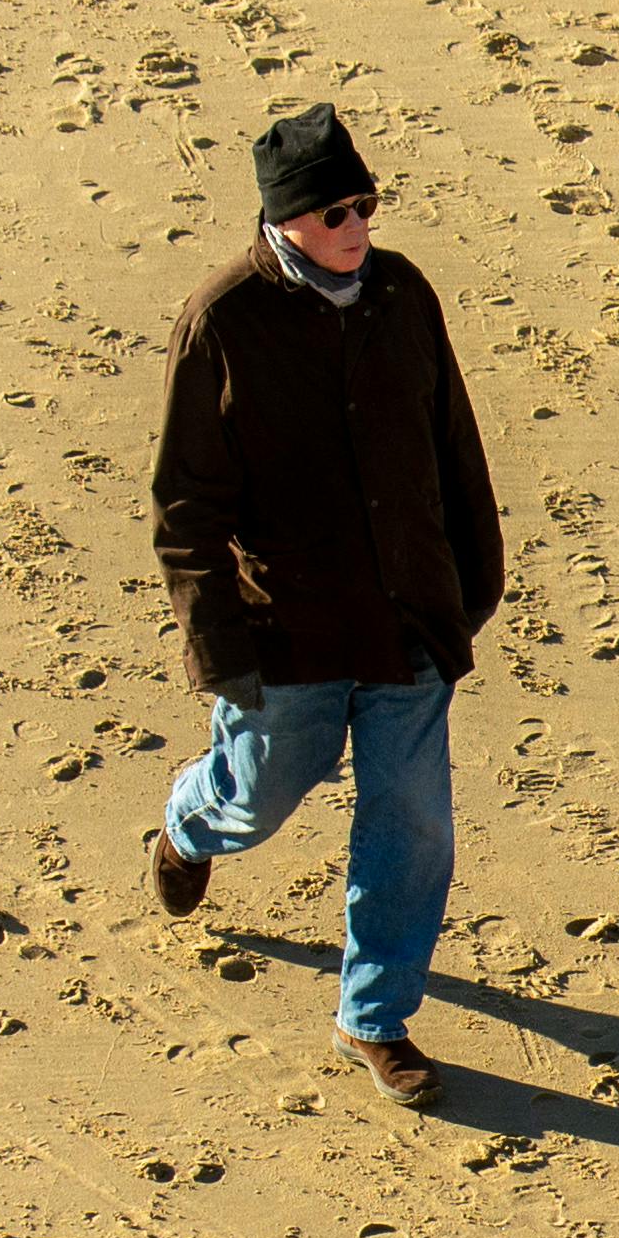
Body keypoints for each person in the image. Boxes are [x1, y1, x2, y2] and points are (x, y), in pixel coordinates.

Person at [142, 101, 505, 1108]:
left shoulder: (400, 294)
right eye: (338, 212)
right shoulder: (223, 324)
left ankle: (374, 1016)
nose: (359, 229)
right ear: (286, 221)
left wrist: (473, 582)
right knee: (255, 798)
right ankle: (186, 828)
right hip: (288, 635)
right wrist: (220, 657)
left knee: (413, 822)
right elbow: (186, 507)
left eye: (368, 205)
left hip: (406, 622)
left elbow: (452, 440)